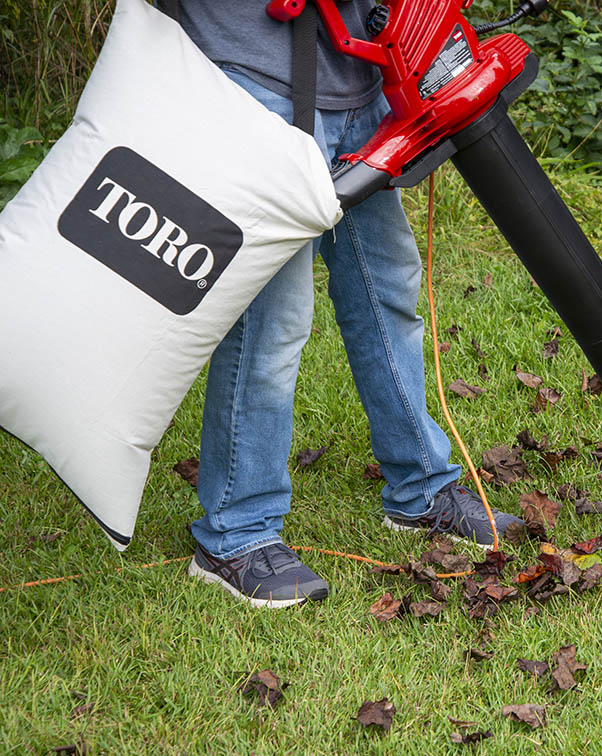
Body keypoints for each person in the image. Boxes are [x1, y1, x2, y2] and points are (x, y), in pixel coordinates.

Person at [175, 0, 522, 609]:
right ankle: (235, 534)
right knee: (272, 319)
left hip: (358, 83)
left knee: (385, 288)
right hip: (254, 86)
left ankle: (421, 490)